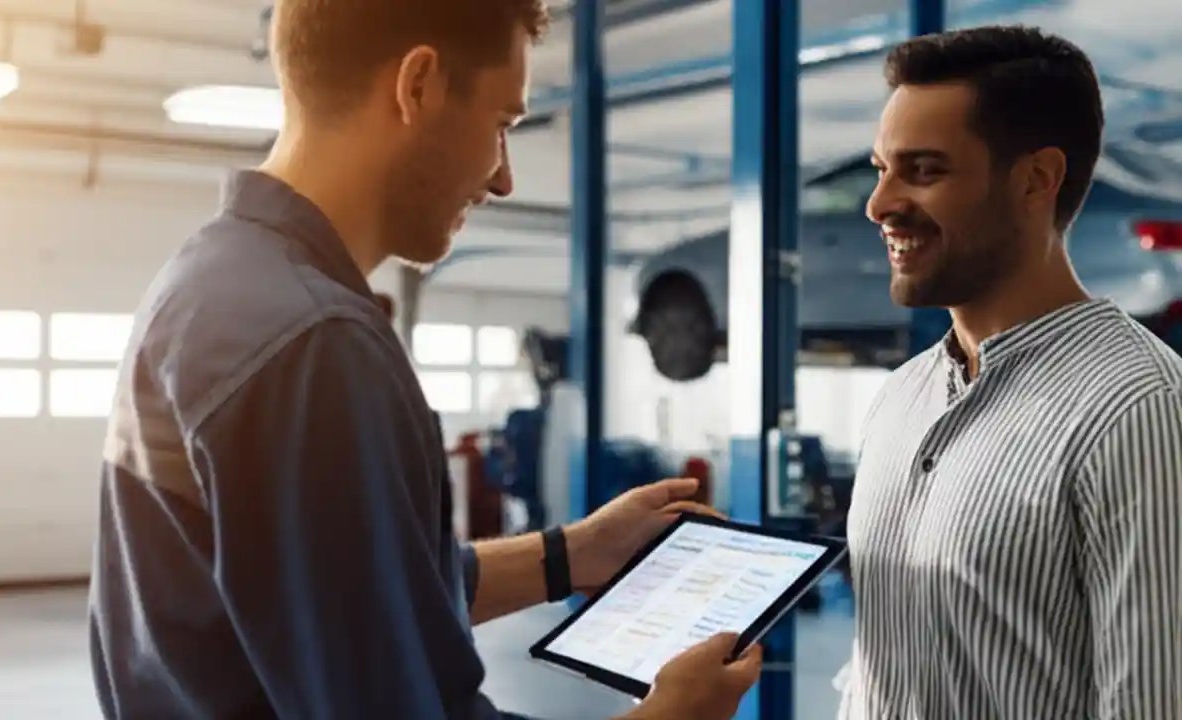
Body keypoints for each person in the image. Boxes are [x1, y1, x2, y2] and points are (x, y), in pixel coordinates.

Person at [87, 1, 763, 718]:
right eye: (502, 124)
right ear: (418, 85)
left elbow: (349, 594)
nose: (503, 178)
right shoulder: (315, 344)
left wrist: (574, 553)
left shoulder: (210, 283)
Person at [838, 25, 1182, 719]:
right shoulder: (901, 397)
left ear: (1036, 180)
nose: (880, 204)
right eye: (882, 169)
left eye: (924, 170)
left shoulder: (1138, 409)